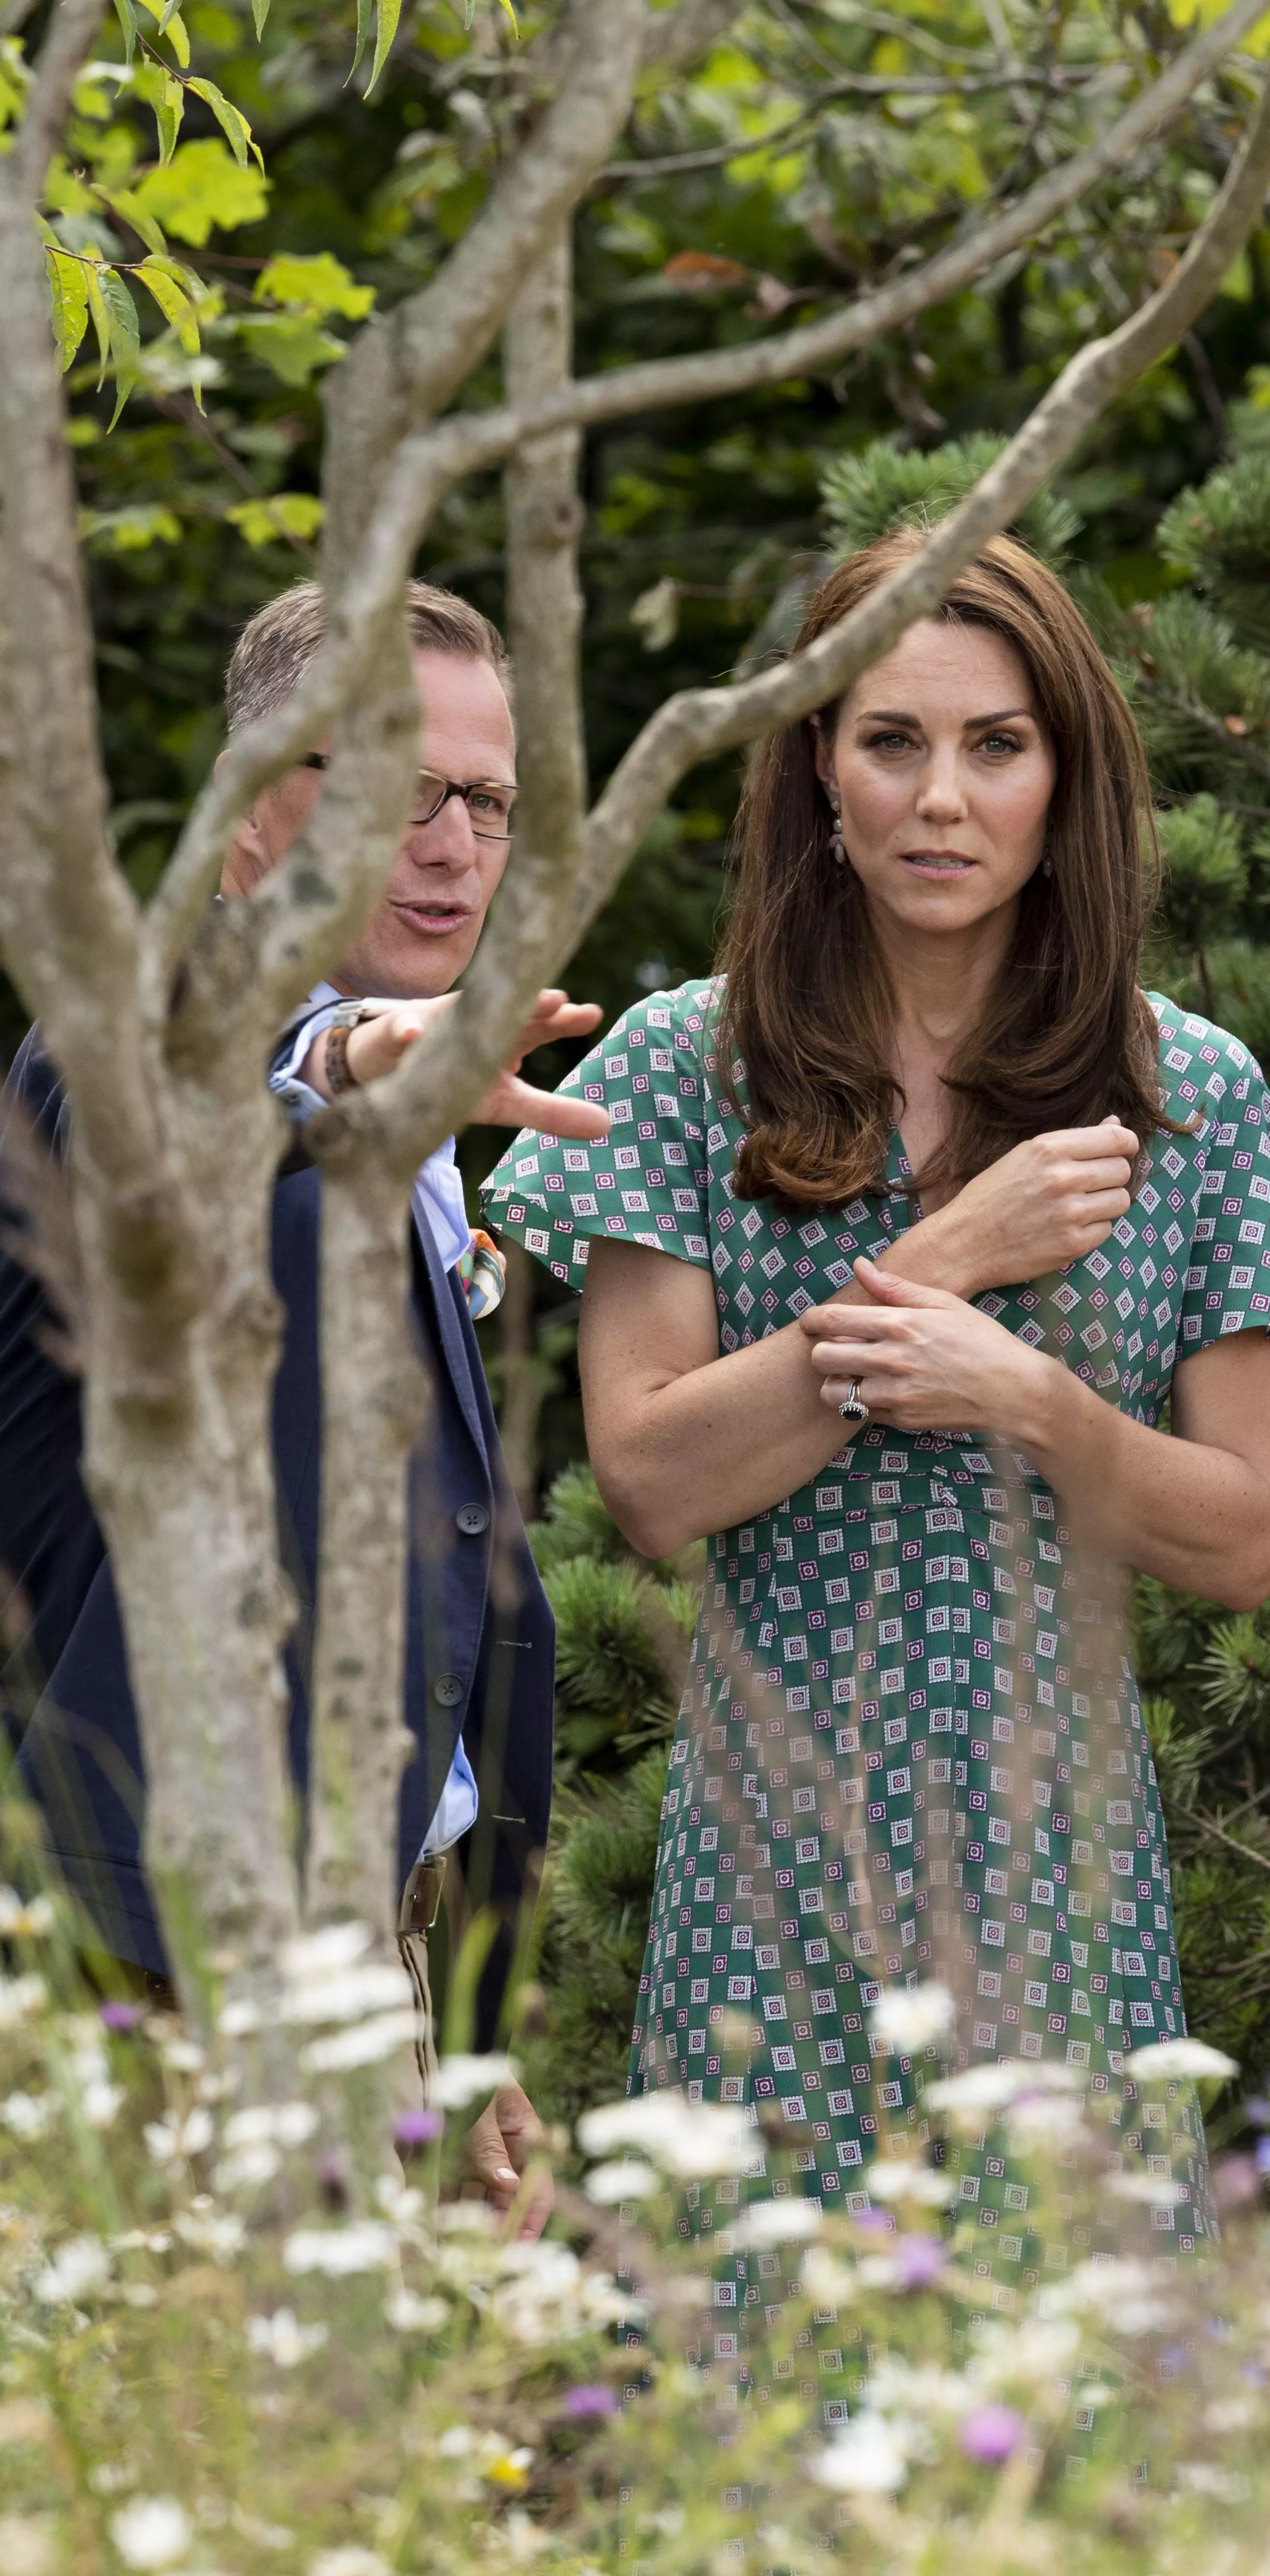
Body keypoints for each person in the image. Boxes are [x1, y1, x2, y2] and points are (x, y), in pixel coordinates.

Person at [484, 530, 1270, 2279]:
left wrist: (1038, 1402)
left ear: (1068, 780)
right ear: (817, 764)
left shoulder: (1185, 1092)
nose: (941, 798)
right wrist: (945, 1259)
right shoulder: (683, 1064)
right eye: (891, 741)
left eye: (998, 745)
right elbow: (655, 1481)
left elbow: (1250, 1537)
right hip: (766, 1886)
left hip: (1062, 1895)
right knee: (765, 2441)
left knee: (1056, 2471)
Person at [1, 579, 605, 2218]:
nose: (452, 843)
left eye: (485, 799)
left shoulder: (416, 1115)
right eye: (397, 785)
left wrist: (465, 2031)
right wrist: (341, 1066)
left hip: (380, 1968)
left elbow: (437, 1578)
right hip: (164, 1978)